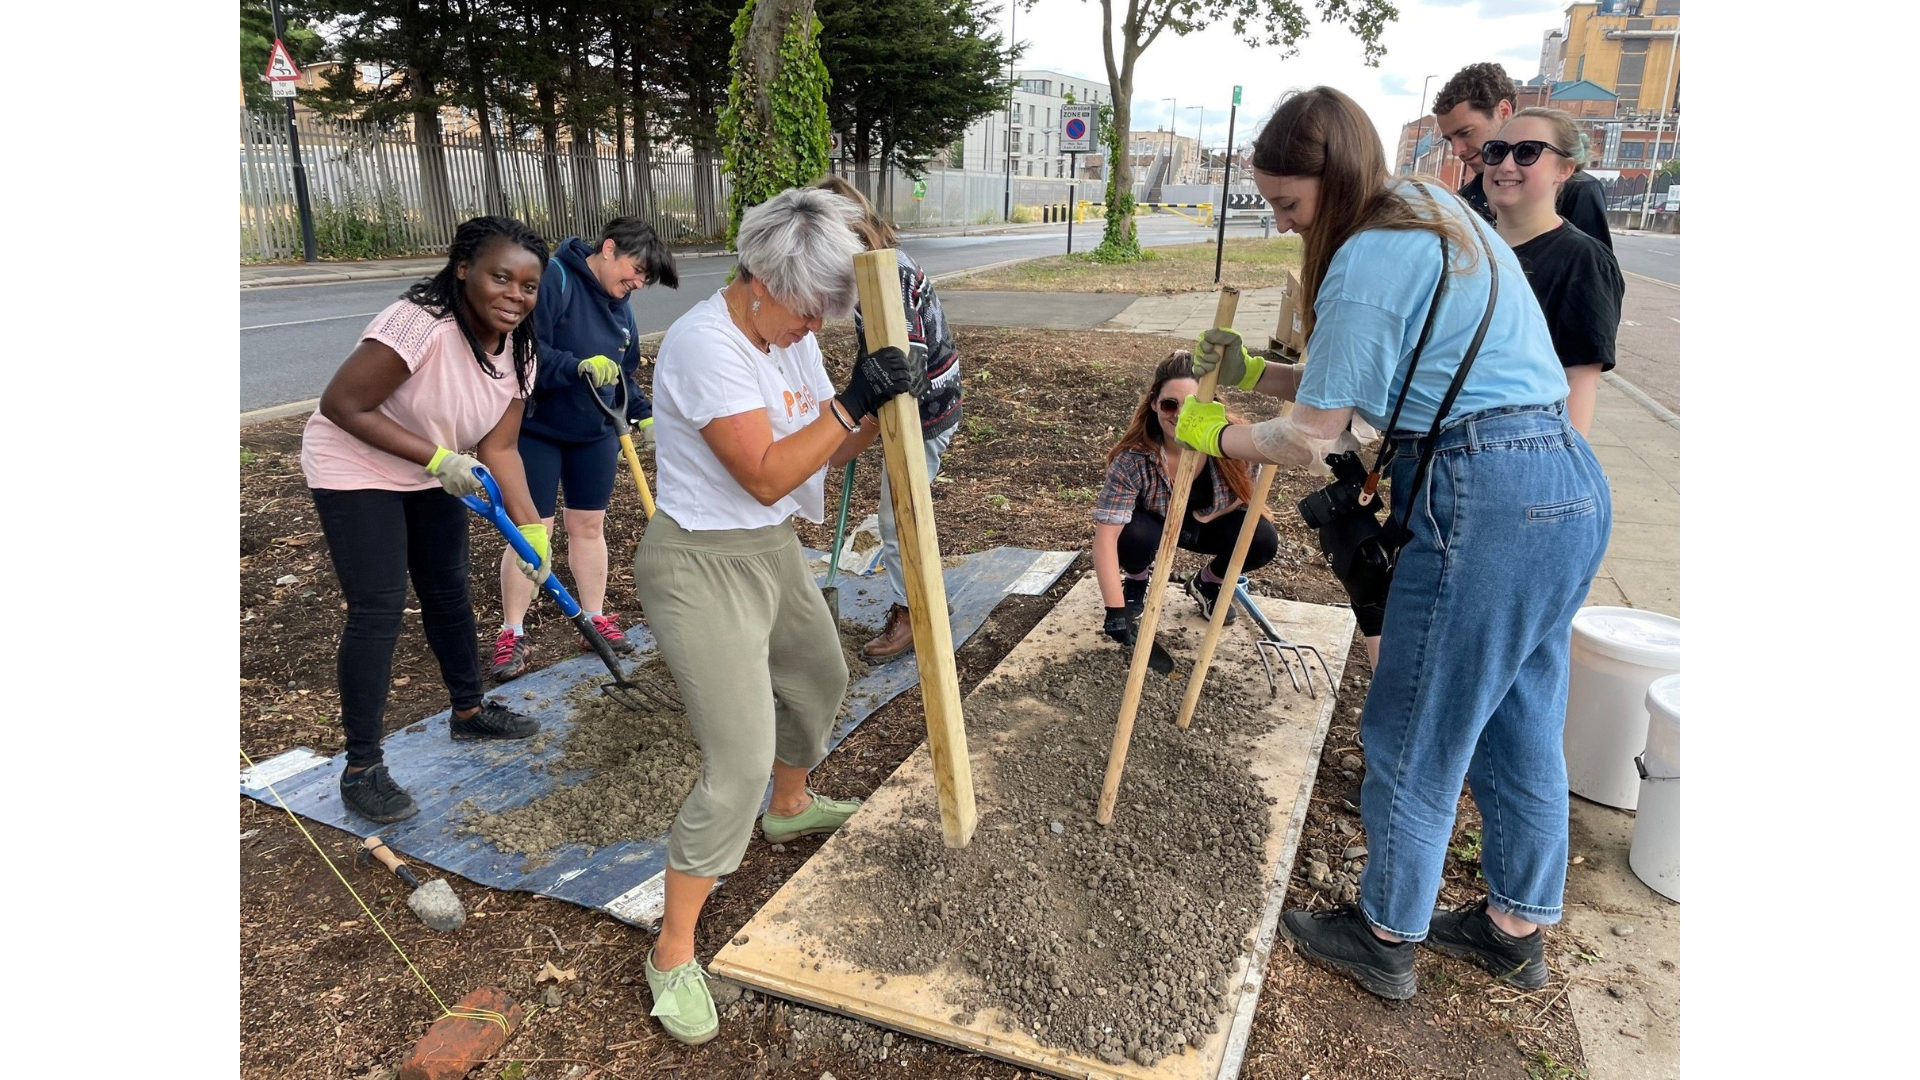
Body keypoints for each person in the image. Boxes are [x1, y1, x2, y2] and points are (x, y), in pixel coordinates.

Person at [1174, 87, 1611, 1001]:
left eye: (1291, 206)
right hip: (1562, 480)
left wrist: (1219, 432)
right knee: (1520, 716)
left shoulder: (1368, 258)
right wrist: (1264, 371)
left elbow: (1314, 437)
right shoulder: (1433, 209)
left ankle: (1386, 936)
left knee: (1414, 724)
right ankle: (1516, 925)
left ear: (1331, 183)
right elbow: (1381, 376)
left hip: (1484, 494)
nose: (1286, 223)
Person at [630, 187, 927, 1044]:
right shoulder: (703, 346)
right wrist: (850, 403)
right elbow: (764, 470)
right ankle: (673, 952)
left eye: (823, 320)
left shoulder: (784, 332)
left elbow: (823, 441)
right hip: (698, 564)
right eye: (807, 313)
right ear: (758, 279)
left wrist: (895, 406)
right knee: (737, 758)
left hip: (767, 549)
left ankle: (789, 807)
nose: (813, 333)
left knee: (819, 676)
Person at [300, 216, 557, 825]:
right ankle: (362, 766)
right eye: (501, 278)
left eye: (528, 286)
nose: (515, 296)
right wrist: (439, 457)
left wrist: (534, 530)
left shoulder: (521, 350)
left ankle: (469, 712)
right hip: (355, 467)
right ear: (463, 267)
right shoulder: (420, 324)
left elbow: (500, 448)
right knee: (379, 608)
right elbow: (341, 404)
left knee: (448, 592)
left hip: (432, 470)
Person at [490, 217, 679, 681]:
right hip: (539, 428)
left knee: (588, 525)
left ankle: (594, 619)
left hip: (595, 431)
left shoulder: (623, 307)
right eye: (634, 270)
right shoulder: (556, 278)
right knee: (532, 528)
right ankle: (512, 631)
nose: (636, 282)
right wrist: (577, 367)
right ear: (609, 249)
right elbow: (528, 349)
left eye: (644, 280)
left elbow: (622, 371)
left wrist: (644, 413)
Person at [808, 174, 964, 660]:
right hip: (921, 404)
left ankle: (913, 611)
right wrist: (861, 388)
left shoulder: (886, 271)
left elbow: (907, 357)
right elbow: (876, 344)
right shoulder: (867, 270)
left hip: (923, 409)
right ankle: (927, 595)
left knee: (899, 514)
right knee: (905, 509)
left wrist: (877, 400)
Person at [1090, 351, 1279, 644]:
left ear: (1210, 405)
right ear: (1154, 403)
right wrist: (1113, 610)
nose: (1179, 415)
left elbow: (1247, 495)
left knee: (1261, 538)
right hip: (1156, 527)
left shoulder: (1234, 442)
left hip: (1208, 526)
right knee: (1131, 536)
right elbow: (1105, 539)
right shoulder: (1133, 460)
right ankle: (1137, 580)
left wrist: (1208, 516)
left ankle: (1207, 583)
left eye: (1191, 404)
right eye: (1169, 404)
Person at [1486, 108, 1625, 438]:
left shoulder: (1583, 260)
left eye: (1527, 152)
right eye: (1497, 150)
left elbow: (1579, 380)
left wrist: (1571, 469)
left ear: (1564, 168)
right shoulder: (1468, 248)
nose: (1506, 165)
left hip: (1523, 450)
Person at [1432, 62, 1612, 250]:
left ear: (1503, 111)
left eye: (1466, 132)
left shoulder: (1578, 191)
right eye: (1449, 139)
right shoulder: (1467, 199)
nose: (1457, 150)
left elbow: (1595, 267)